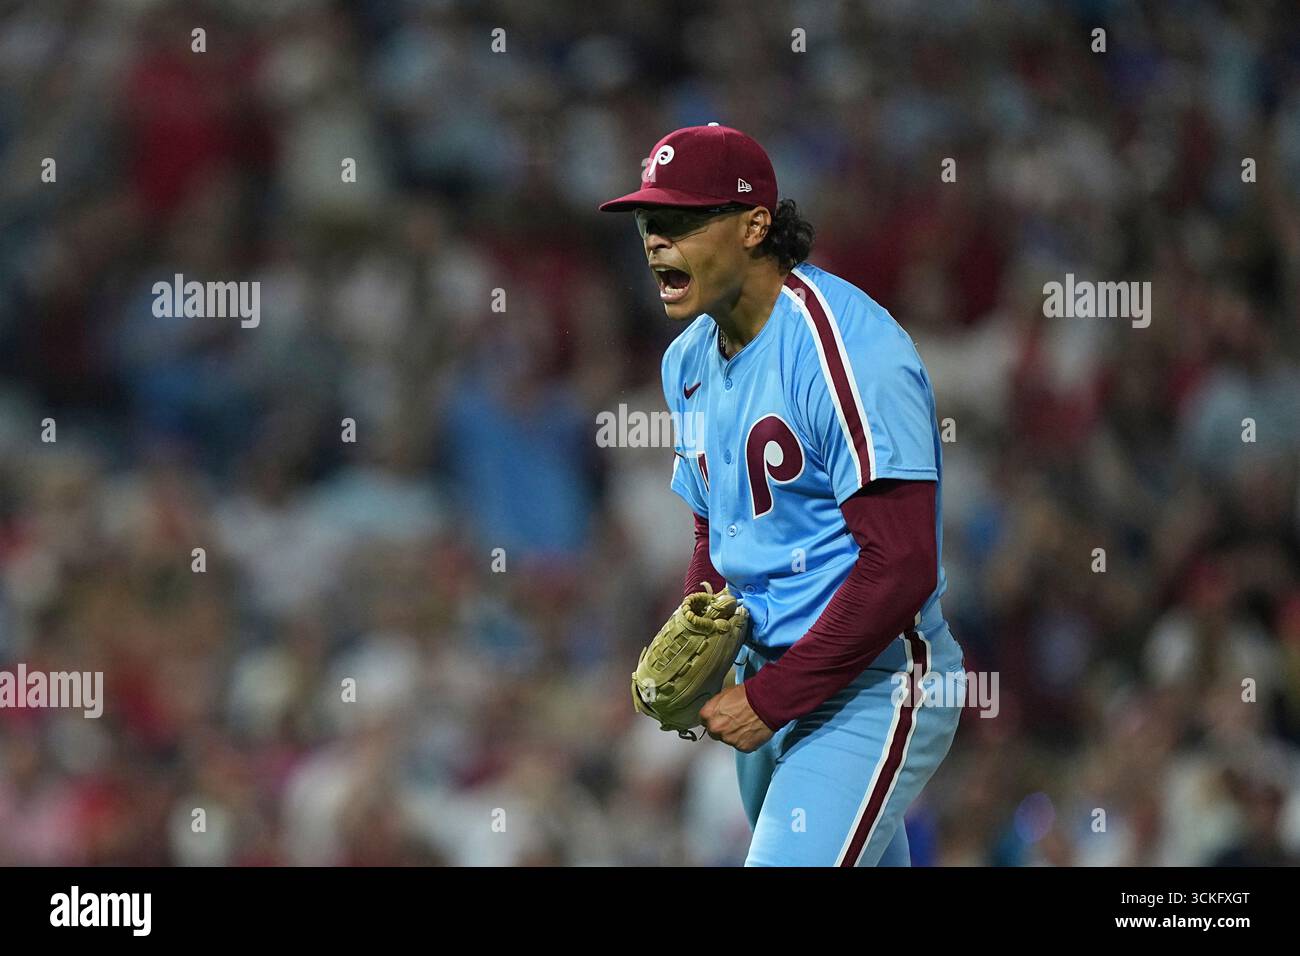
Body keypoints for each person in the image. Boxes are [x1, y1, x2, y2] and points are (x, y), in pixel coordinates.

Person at [599, 124, 967, 866]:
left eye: (680, 221)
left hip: (875, 682)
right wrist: (702, 622)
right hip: (770, 679)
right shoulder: (688, 361)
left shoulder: (848, 349)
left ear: (754, 225)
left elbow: (901, 563)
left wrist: (773, 699)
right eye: (648, 222)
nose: (655, 242)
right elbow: (713, 527)